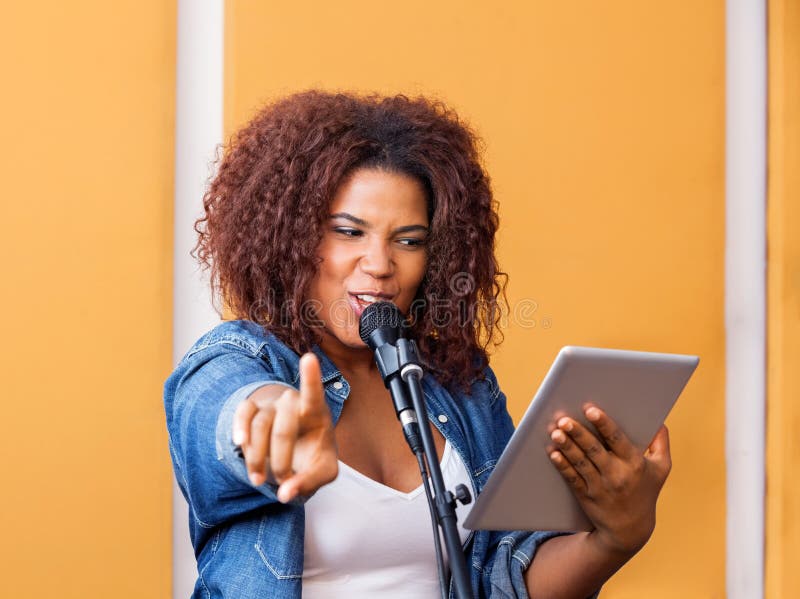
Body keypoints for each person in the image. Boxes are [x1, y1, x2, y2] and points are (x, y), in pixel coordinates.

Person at [164, 91, 672, 598]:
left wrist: (615, 538)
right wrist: (275, 423)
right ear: (290, 236)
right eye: (348, 232)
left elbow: (504, 579)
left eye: (409, 240)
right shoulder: (236, 358)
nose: (380, 264)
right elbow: (224, 410)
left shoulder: (458, 383)